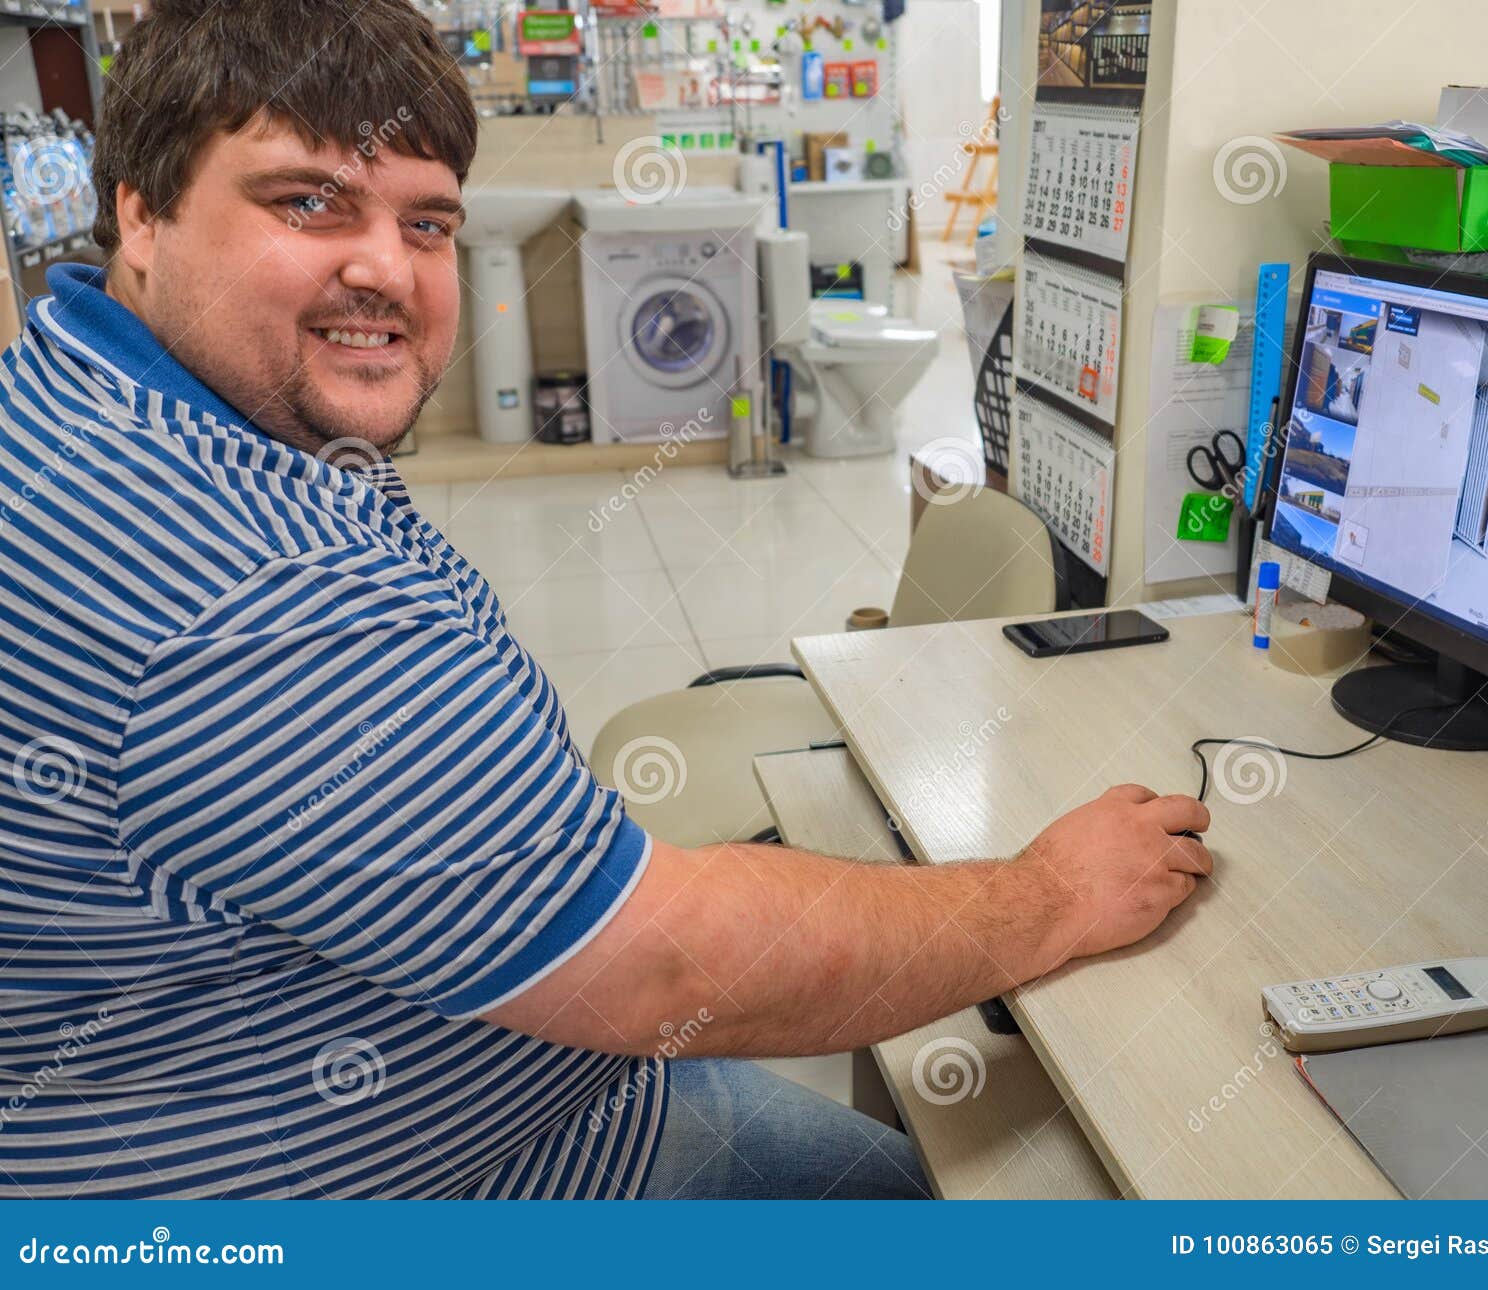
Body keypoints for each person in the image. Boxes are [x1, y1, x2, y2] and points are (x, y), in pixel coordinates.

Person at [0, 0, 1211, 1200]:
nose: (383, 268)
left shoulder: (85, 388)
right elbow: (661, 975)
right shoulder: (249, 594)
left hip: (500, 1066)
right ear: (142, 209)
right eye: (306, 200)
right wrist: (1051, 895)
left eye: (427, 222)